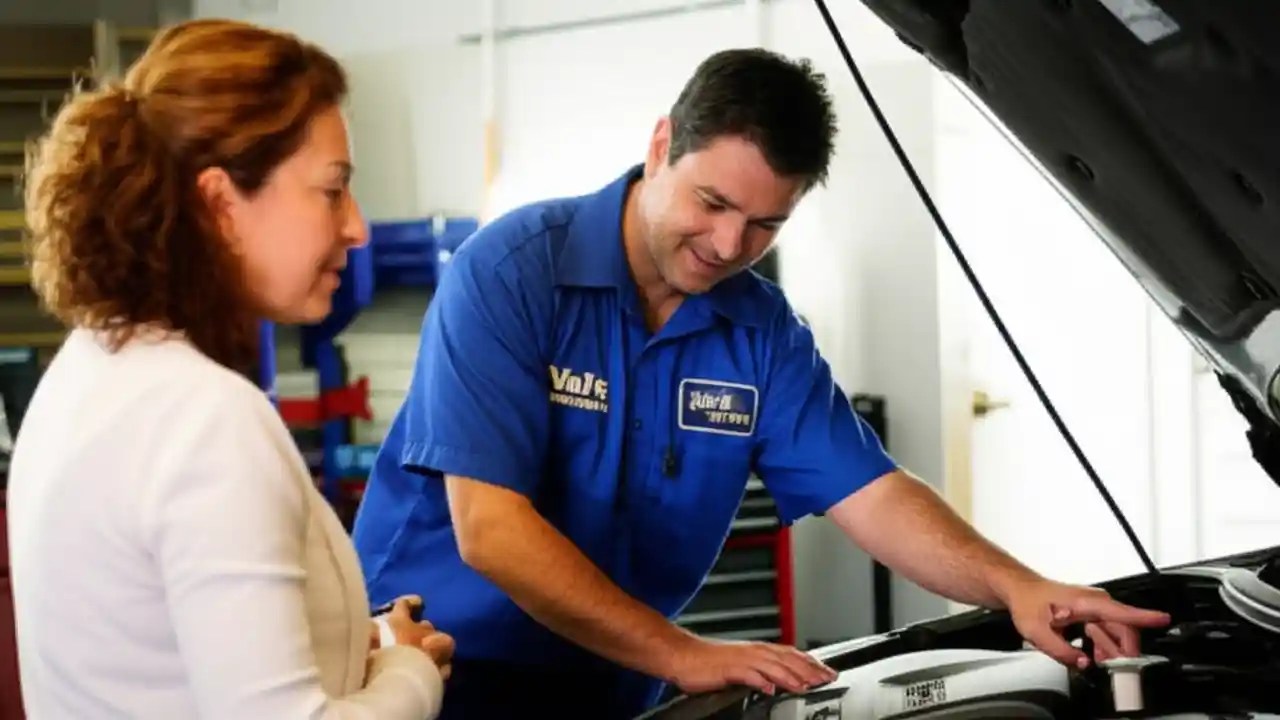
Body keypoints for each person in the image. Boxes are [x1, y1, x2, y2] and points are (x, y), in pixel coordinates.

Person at [350, 47, 1172, 717]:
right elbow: (489, 528)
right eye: (711, 202)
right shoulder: (514, 269)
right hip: (436, 673)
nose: (727, 243)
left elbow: (873, 493)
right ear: (662, 144)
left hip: (612, 682)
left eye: (765, 223)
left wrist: (1019, 586)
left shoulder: (762, 332)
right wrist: (685, 653)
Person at [7, 18, 454, 719]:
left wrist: (363, 640)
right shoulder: (202, 417)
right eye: (333, 190)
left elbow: (163, 654)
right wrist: (407, 670)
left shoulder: (90, 369)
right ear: (220, 205)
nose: (358, 226)